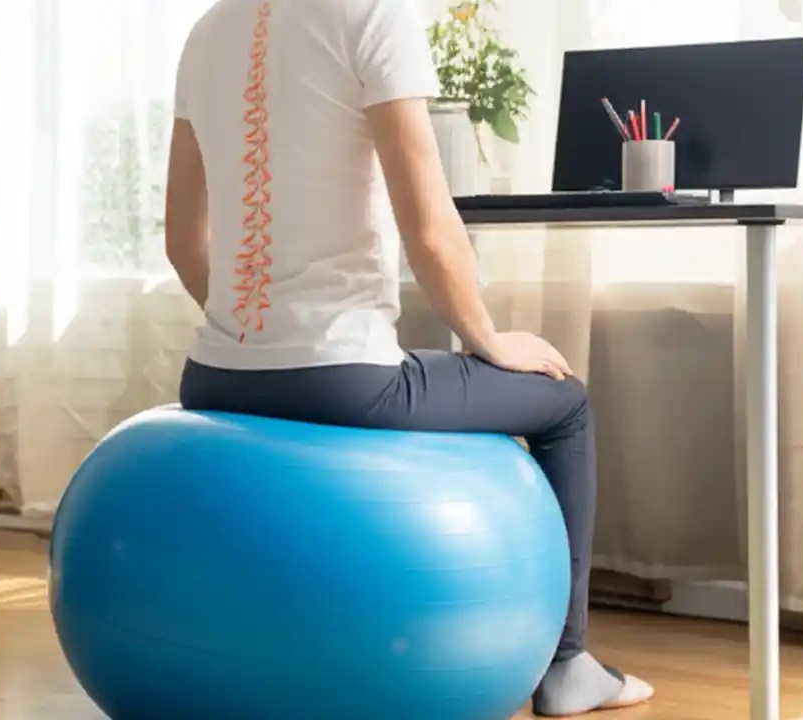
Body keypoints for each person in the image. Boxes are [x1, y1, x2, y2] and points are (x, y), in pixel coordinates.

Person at [164, 0, 654, 714]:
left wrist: (251, 332)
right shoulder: (371, 16)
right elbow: (426, 224)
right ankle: (567, 662)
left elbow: (182, 237)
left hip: (213, 376)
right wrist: (491, 341)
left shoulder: (208, 30)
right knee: (564, 401)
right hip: (341, 380)